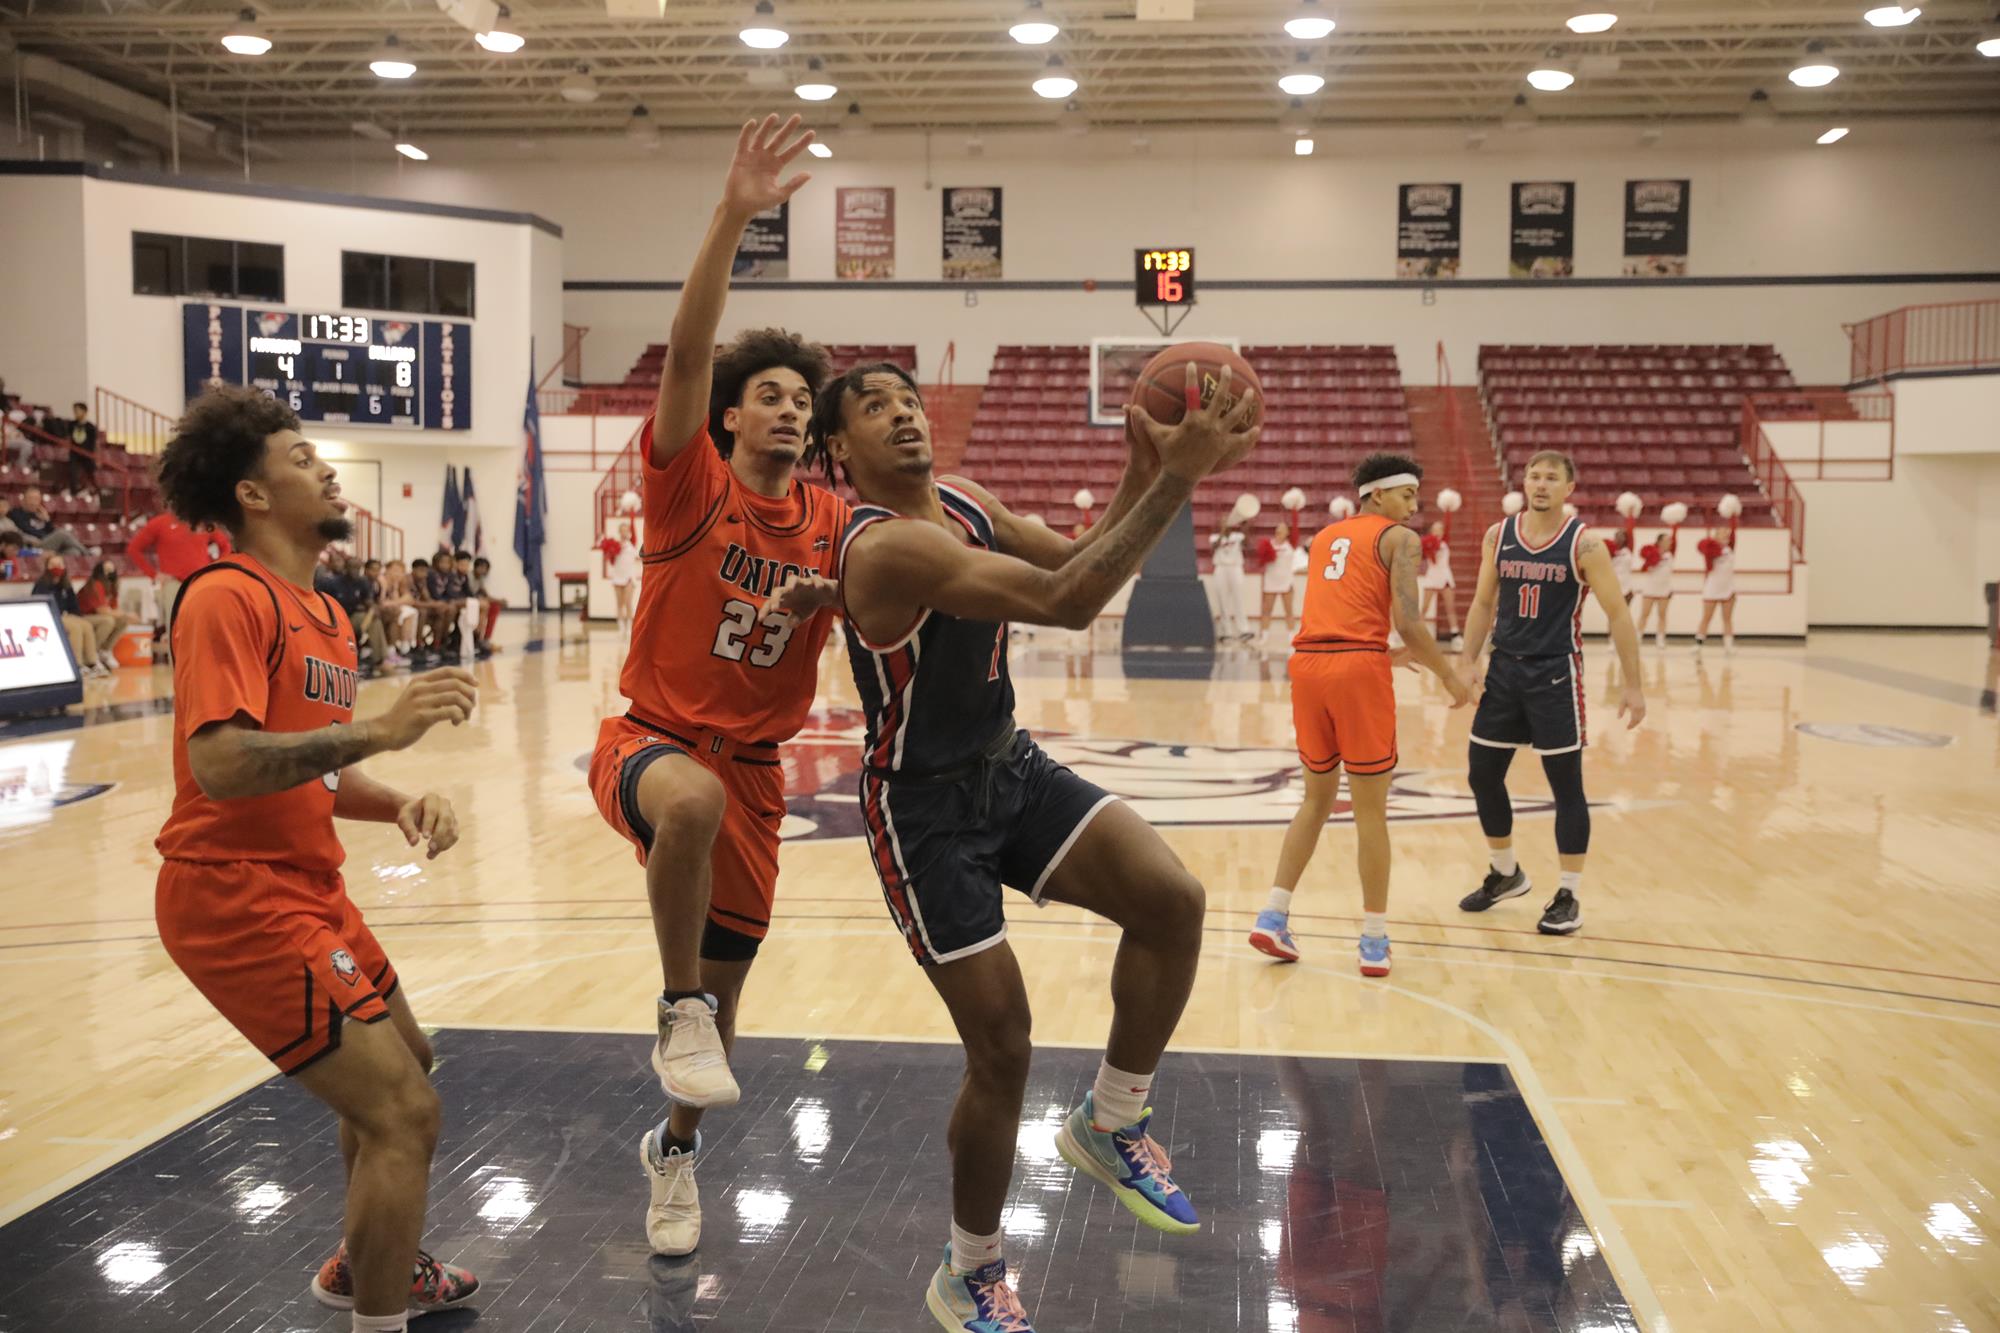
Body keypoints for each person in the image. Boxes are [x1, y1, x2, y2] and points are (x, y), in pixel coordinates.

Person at [821, 356, 1258, 1332]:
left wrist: (1140, 469)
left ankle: (1112, 1117)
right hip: (923, 812)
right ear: (839, 448)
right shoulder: (882, 548)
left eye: (907, 399)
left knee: (1171, 900)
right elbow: (1067, 601)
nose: (901, 415)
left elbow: (1081, 555)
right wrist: (1179, 478)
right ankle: (970, 1268)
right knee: (1003, 1046)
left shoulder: (966, 502)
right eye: (873, 408)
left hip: (1006, 765)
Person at [151, 384, 482, 1333]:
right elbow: (221, 764)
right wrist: (380, 728)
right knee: (404, 1112)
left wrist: (396, 798)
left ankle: (365, 1261)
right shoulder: (227, 595)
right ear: (252, 495)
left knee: (409, 1060)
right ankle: (378, 1315)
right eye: (302, 458)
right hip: (233, 893)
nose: (328, 470)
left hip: (306, 884)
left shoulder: (327, 612)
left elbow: (314, 769)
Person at [582, 114, 851, 1264]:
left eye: (801, 398)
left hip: (755, 777)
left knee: (726, 1026)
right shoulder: (689, 484)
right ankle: (674, 1003)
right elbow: (688, 353)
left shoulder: (833, 521)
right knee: (685, 805)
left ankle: (675, 1151)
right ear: (731, 415)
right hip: (650, 742)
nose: (788, 408)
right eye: (768, 394)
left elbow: (894, 597)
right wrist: (734, 213)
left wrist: (841, 597)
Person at [1249, 455, 1471, 974]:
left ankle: (1273, 914)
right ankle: (1373, 939)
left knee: (1315, 800)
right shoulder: (1401, 540)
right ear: (1376, 495)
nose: (1414, 508)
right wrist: (1449, 674)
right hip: (1356, 674)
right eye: (1407, 496)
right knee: (1371, 811)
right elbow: (1410, 623)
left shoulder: (1325, 537)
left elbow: (1339, 613)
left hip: (1308, 667)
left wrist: (1380, 651)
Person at [1455, 450, 1647, 937]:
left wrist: (1633, 684)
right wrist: (1466, 660)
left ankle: (1569, 894)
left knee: (1566, 786)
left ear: (1569, 488)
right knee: (1482, 774)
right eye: (1534, 476)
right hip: (1504, 670)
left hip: (1555, 674)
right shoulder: (1499, 535)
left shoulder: (1585, 545)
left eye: (1551, 478)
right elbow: (1483, 601)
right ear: (1524, 483)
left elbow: (1618, 614)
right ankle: (1505, 873)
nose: (1540, 484)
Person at [129, 507, 234, 662]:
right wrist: (154, 574)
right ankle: (177, 670)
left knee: (204, 626)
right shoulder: (159, 523)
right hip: (173, 583)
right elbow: (134, 549)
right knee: (175, 628)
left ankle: (204, 666)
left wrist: (216, 567)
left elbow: (225, 545)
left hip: (200, 581)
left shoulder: (203, 521)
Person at [32, 555, 111, 676]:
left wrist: (76, 615)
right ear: (47, 567)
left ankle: (91, 662)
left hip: (65, 615)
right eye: (53, 565)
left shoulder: (65, 584)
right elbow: (39, 604)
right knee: (75, 628)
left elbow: (73, 604)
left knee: (86, 625)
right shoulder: (42, 584)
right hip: (51, 617)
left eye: (59, 565)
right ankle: (76, 665)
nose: (57, 568)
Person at [76, 557, 135, 663]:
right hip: (82, 616)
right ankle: (91, 652)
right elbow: (101, 610)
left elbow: (114, 609)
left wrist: (125, 616)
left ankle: (105, 651)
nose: (110, 573)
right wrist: (126, 614)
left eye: (112, 570)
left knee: (123, 620)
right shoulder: (95, 584)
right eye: (107, 570)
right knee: (107, 621)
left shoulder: (112, 587)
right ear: (99, 572)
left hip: (97, 616)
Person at [6, 485, 89, 559]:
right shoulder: (15, 513)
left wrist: (47, 520)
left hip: (48, 544)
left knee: (74, 552)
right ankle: (89, 555)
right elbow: (24, 529)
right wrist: (44, 537)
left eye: (36, 499)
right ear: (23, 500)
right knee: (62, 533)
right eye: (30, 498)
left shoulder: (40, 514)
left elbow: (52, 531)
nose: (33, 502)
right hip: (34, 546)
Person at [1418, 519, 1462, 644]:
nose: (1437, 532)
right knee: (1424, 607)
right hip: (1432, 576)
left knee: (1450, 607)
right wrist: (1429, 549)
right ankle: (1419, 633)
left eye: (1439, 529)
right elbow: (1427, 556)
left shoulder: (1444, 544)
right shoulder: (1428, 543)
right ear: (1431, 531)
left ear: (1443, 532)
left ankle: (1455, 634)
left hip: (1445, 577)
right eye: (1435, 529)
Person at [1695, 525, 1737, 653]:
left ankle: (1728, 646)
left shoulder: (1730, 549)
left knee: (1727, 618)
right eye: (1722, 532)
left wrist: (1733, 517)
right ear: (1716, 535)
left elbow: (1734, 531)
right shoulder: (1710, 547)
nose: (1725, 534)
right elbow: (1703, 548)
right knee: (1706, 617)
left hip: (1728, 587)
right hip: (1712, 587)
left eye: (1726, 532)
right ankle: (1698, 645)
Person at [1209, 512, 1250, 641]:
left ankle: (1244, 630)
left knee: (1239, 599)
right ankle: (1226, 632)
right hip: (1221, 568)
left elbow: (1247, 544)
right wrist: (1222, 533)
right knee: (1223, 601)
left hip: (1235, 567)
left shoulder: (1238, 536)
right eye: (1223, 521)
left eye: (1227, 521)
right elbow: (1213, 547)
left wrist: (1245, 527)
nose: (1225, 524)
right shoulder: (1214, 537)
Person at [1633, 528, 1676, 649]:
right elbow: (1644, 568)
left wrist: (1674, 526)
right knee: (1645, 613)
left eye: (1670, 540)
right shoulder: (1651, 551)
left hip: (1664, 588)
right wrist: (1653, 558)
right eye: (1667, 540)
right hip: (1650, 588)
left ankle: (1660, 639)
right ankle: (1638, 637)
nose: (1670, 542)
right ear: (1660, 541)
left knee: (1662, 614)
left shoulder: (1670, 554)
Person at [1257, 519, 1298, 637]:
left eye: (1283, 528)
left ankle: (1291, 636)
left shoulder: (1291, 544)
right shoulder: (1268, 544)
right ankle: (1264, 636)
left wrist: (1294, 511)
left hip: (1286, 581)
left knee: (1288, 610)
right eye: (1278, 528)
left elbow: (1296, 527)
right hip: (1271, 580)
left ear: (1287, 532)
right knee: (1267, 610)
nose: (1280, 530)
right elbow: (1261, 559)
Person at [602, 517, 639, 637]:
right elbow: (611, 561)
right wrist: (610, 552)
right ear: (619, 532)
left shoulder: (631, 545)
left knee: (628, 602)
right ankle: (621, 626)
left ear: (628, 532)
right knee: (619, 603)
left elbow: (638, 557)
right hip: (618, 576)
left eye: (626, 530)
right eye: (622, 530)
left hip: (629, 577)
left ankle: (629, 626)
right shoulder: (615, 545)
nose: (624, 533)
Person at [470, 556, 505, 647]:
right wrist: (498, 600)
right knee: (485, 605)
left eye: (485, 568)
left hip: (477, 602)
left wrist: (498, 601)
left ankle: (486, 638)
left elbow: (486, 595)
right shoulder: (469, 577)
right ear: (475, 567)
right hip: (470, 602)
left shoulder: (480, 578)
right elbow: (470, 595)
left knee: (495, 606)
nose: (483, 570)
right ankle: (477, 636)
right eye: (481, 567)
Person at [66, 401, 99, 497]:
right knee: (72, 471)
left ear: (84, 412)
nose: (75, 413)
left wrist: (90, 455)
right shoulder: (71, 424)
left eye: (78, 411)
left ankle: (96, 490)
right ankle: (74, 492)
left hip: (86, 454)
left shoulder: (90, 427)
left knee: (92, 472)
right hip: (74, 453)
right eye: (74, 411)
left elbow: (93, 443)